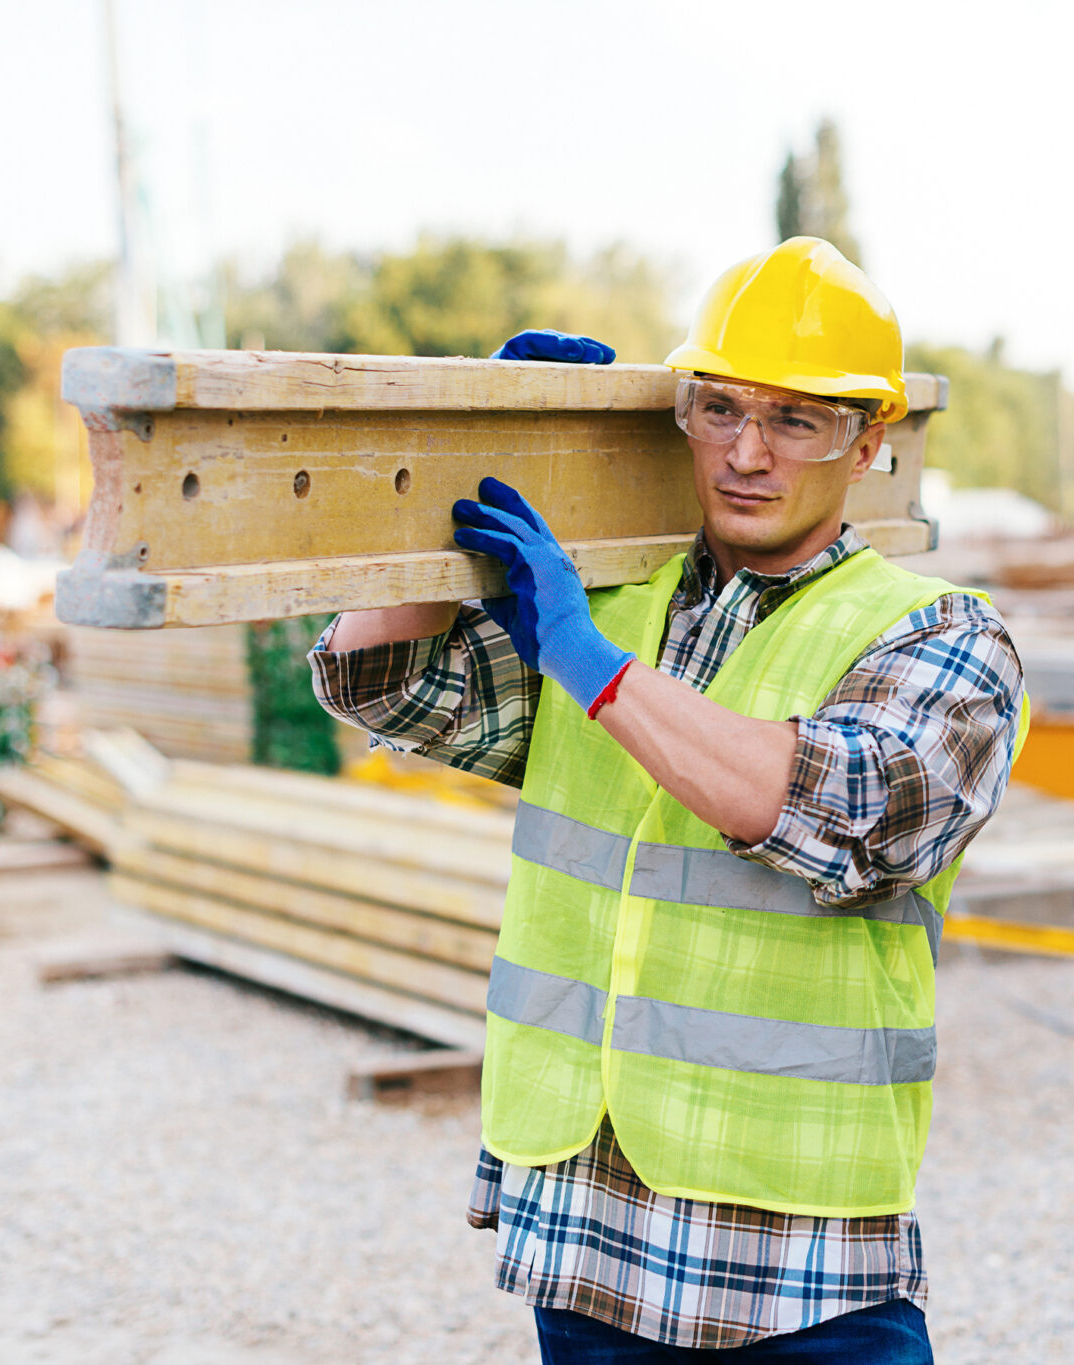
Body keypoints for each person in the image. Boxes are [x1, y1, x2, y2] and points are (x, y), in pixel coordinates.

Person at [311, 237, 1025, 1362]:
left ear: (867, 442)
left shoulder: (939, 636)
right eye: (719, 408)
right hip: (590, 1230)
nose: (746, 453)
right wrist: (476, 450)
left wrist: (591, 667)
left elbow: (844, 814)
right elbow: (382, 682)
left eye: (796, 420)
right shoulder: (611, 607)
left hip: (798, 1260)